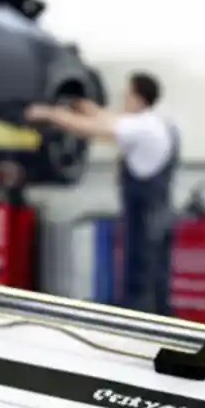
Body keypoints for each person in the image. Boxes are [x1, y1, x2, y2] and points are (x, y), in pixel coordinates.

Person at [25, 72, 179, 314]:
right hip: (155, 212)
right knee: (154, 276)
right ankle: (155, 323)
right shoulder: (156, 121)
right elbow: (108, 119)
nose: (123, 100)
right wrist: (84, 106)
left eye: (126, 95)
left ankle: (141, 332)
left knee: (141, 276)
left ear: (138, 98)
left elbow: (93, 129)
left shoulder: (141, 126)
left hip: (146, 216)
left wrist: (49, 114)